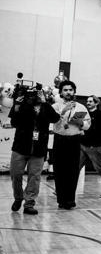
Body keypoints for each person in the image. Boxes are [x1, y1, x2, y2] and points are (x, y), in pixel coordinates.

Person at [9, 86, 60, 215]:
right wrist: (17, 104)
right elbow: (14, 122)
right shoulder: (20, 104)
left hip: (39, 148)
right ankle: (18, 197)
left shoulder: (45, 106)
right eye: (29, 95)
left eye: (35, 94)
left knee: (34, 177)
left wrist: (45, 103)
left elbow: (55, 119)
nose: (32, 97)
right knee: (16, 175)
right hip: (20, 147)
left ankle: (29, 203)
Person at [52, 80, 91, 210]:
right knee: (59, 170)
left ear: (74, 91)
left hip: (74, 140)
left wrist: (81, 123)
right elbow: (52, 120)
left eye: (70, 90)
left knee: (73, 170)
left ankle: (70, 200)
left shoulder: (81, 107)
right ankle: (61, 200)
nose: (68, 92)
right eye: (65, 90)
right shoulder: (56, 106)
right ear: (61, 92)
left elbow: (87, 125)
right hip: (60, 139)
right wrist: (64, 111)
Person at [80, 95, 101, 196]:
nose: (88, 103)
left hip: (94, 146)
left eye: (90, 101)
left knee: (99, 169)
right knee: (75, 168)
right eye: (87, 101)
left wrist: (84, 131)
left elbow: (98, 131)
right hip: (83, 145)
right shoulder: (84, 114)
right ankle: (65, 189)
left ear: (96, 103)